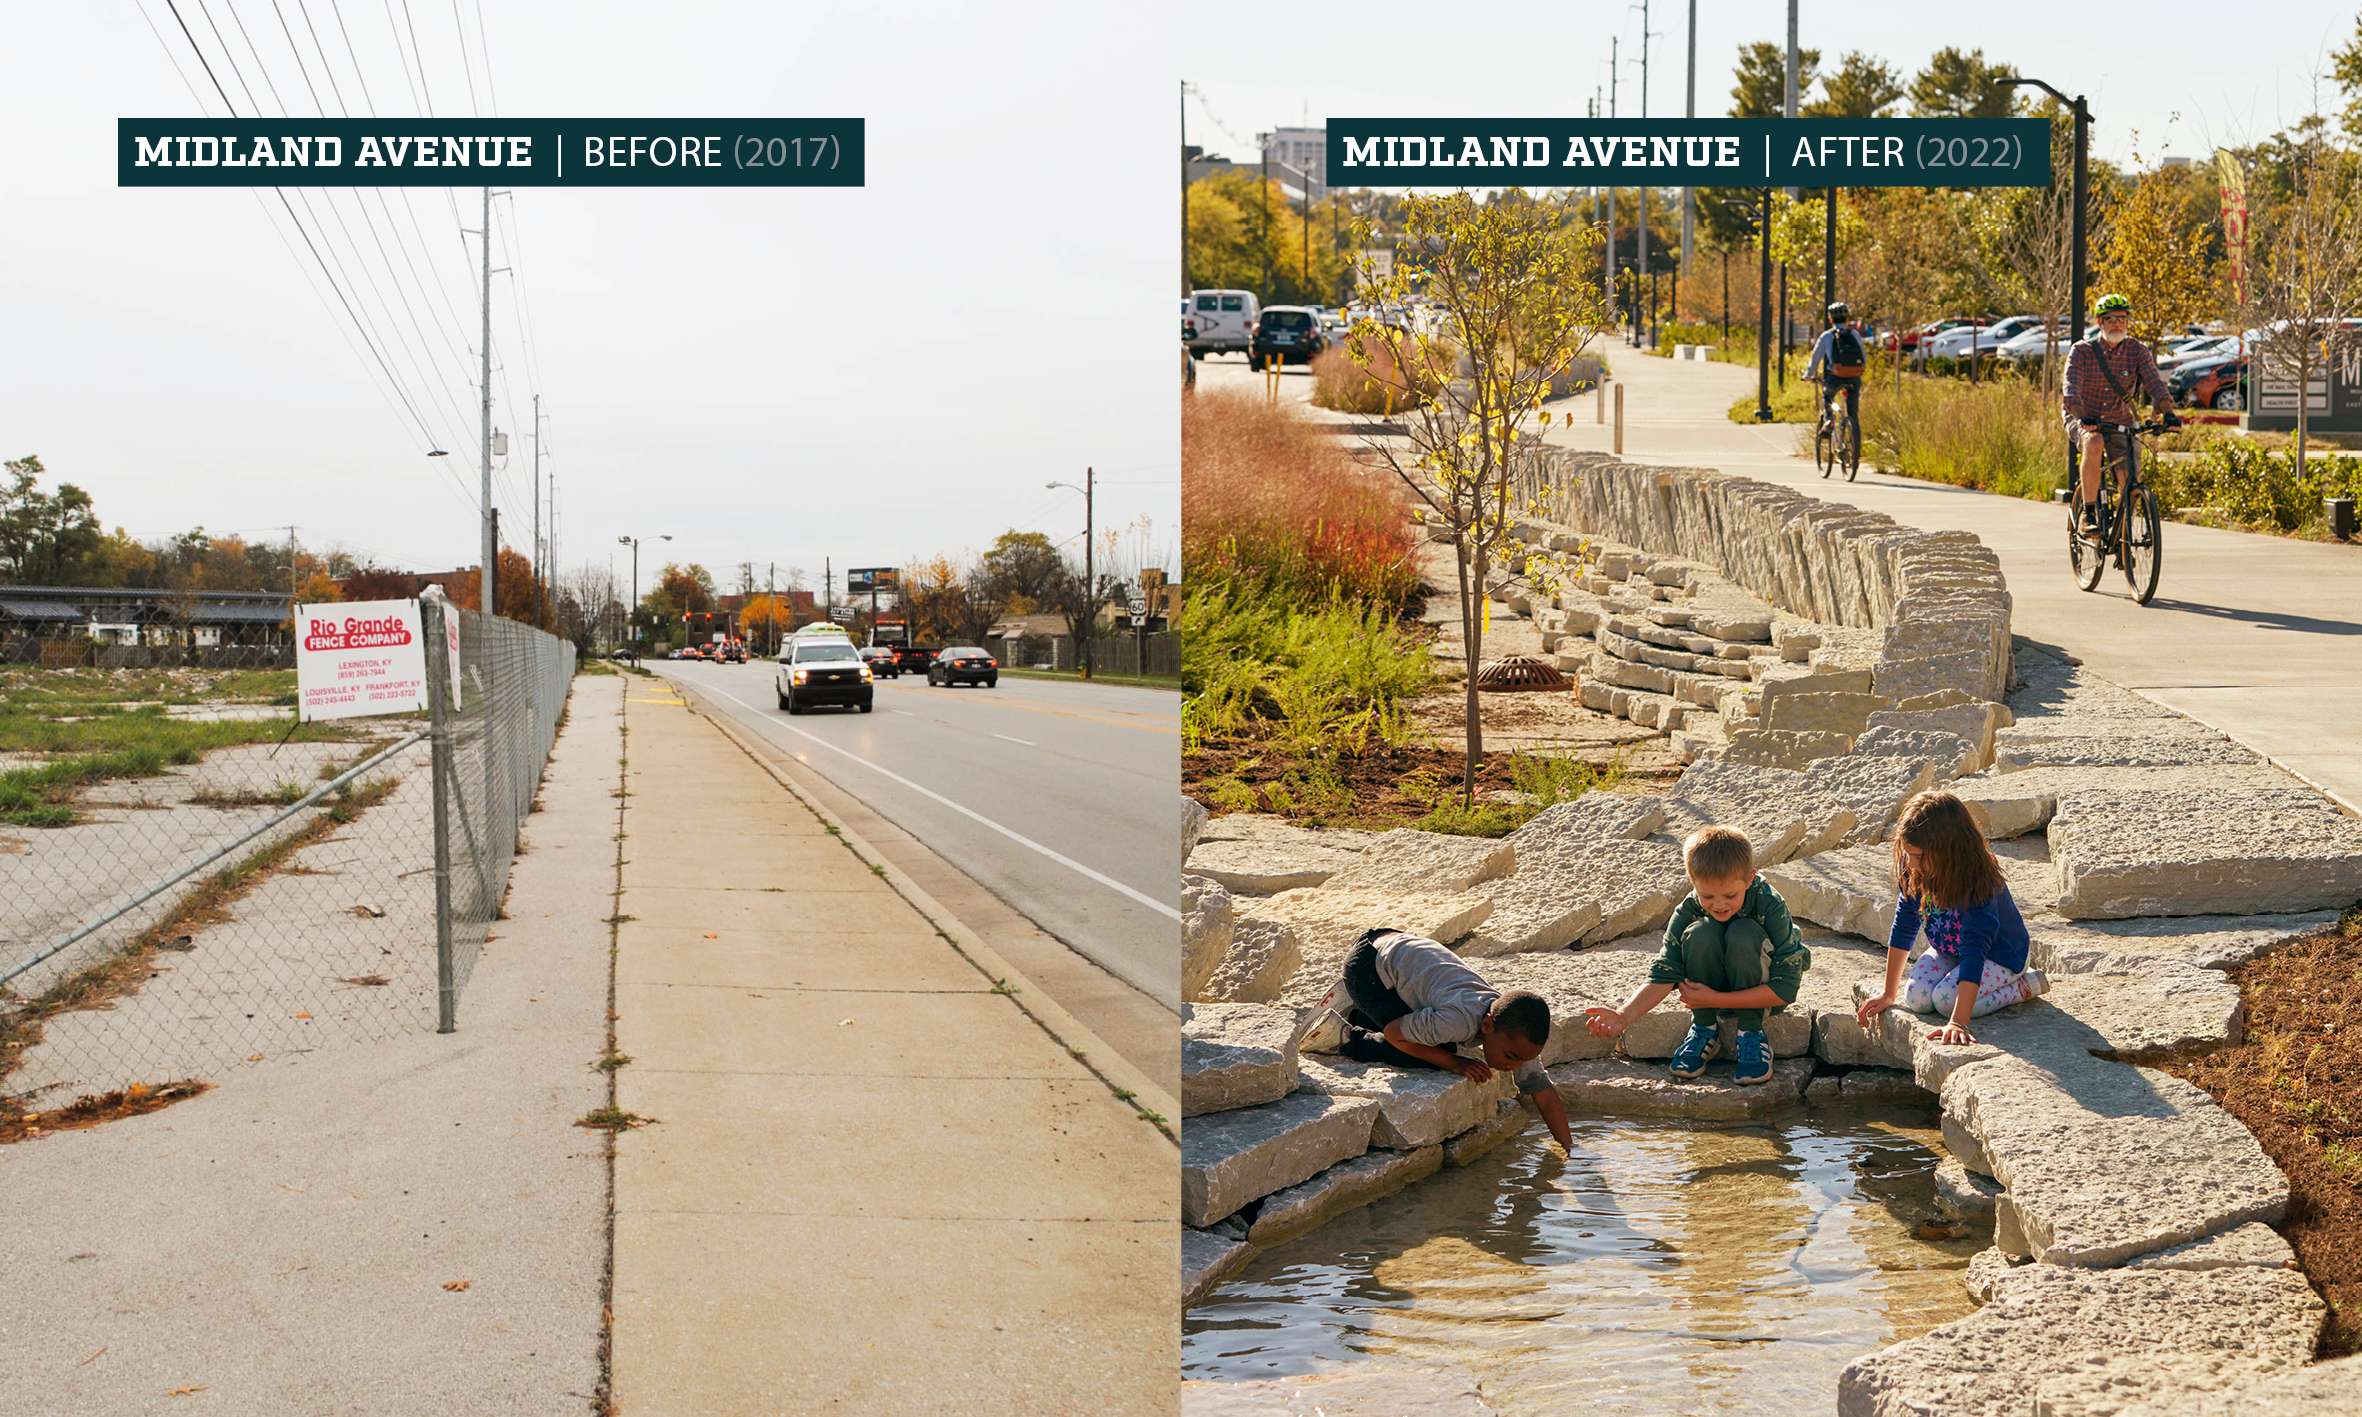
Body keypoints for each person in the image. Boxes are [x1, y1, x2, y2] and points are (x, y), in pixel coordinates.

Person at [1297, 927, 1575, 1154]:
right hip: (1367, 967)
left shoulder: (1513, 1029)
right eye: (1511, 1057)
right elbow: (1395, 1034)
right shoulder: (1458, 1021)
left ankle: (1359, 1012)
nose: (1513, 1066)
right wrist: (1452, 1062)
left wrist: (1568, 1150)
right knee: (1430, 1054)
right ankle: (1344, 1034)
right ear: (1488, 1025)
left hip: (1394, 944)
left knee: (1430, 1038)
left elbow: (1544, 1093)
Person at [1581, 826, 1812, 1086]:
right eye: (1707, 896)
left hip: (1757, 993)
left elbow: (1785, 988)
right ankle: (1704, 1029)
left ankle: (1750, 1033)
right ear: (1693, 883)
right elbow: (1663, 973)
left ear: (1749, 879)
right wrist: (1623, 1016)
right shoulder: (1687, 910)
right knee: (1700, 931)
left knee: (1743, 931)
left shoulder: (1770, 904)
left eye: (1730, 895)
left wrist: (1715, 998)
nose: (1719, 904)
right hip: (1705, 997)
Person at [1854, 790, 2050, 1046]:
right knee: (1917, 998)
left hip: (2000, 956)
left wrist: (1958, 1021)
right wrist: (1888, 993)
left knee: (1946, 1001)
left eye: (1920, 857)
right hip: (1950, 951)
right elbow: (1903, 927)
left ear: (1950, 851)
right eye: (1908, 855)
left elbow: (1975, 951)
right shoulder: (1914, 870)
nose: (1912, 865)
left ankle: (2025, 985)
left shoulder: (1979, 883)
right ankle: (1948, 993)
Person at [2062, 293, 2183, 538]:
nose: (2117, 324)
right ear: (2099, 322)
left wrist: (2168, 412)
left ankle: (2123, 531)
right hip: (2083, 415)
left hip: (2119, 419)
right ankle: (2089, 514)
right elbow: (2071, 388)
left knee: (2128, 476)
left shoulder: (2136, 351)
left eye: (2122, 318)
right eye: (2110, 319)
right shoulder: (2082, 351)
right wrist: (2082, 416)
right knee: (2093, 442)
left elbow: (2154, 382)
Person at [1806, 301, 1869, 440]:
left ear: (1830, 318)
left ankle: (1829, 420)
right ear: (1847, 318)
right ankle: (1855, 446)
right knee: (1853, 413)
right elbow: (1864, 357)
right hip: (1854, 377)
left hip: (1834, 377)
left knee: (1827, 396)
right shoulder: (1855, 334)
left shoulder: (1827, 336)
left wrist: (1808, 375)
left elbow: (1815, 358)